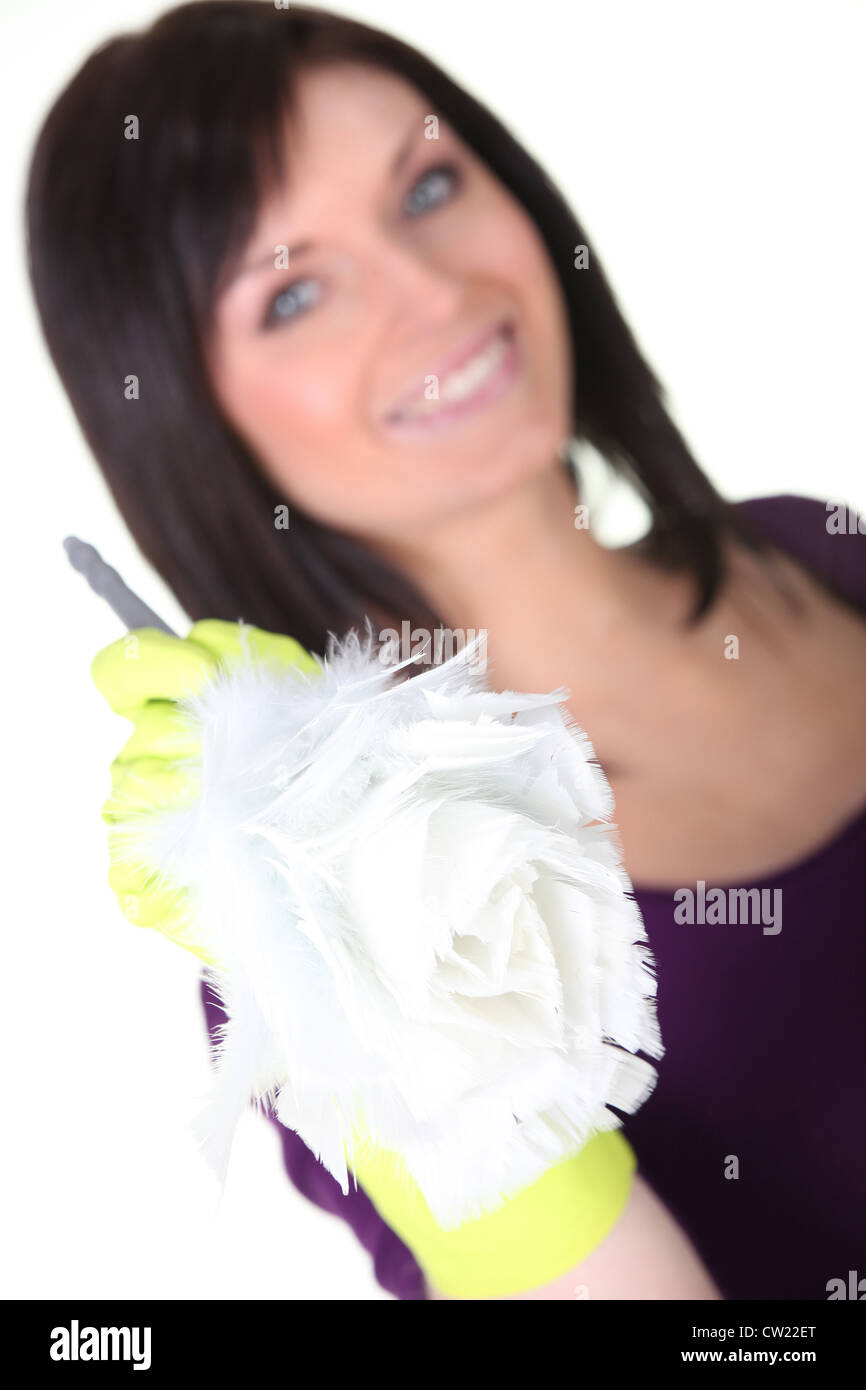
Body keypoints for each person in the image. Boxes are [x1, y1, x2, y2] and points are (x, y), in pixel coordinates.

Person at [26, 1, 866, 1300]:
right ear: (187, 416)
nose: (435, 292)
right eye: (293, 289)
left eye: (426, 185)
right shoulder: (325, 939)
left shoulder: (826, 551)